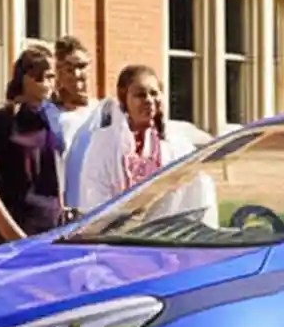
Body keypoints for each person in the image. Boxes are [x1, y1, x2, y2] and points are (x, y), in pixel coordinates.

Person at [77, 64, 216, 223]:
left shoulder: (177, 144)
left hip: (166, 239)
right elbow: (94, 197)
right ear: (124, 99)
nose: (149, 100)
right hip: (115, 238)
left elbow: (198, 194)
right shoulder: (103, 143)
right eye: (140, 95)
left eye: (154, 93)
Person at [0, 45, 67, 244]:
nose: (46, 84)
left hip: (51, 228)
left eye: (50, 77)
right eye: (38, 76)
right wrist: (15, 237)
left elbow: (55, 173)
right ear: (23, 78)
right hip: (12, 229)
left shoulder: (52, 117)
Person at [52, 35, 115, 209]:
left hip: (98, 208)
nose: (77, 75)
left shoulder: (105, 113)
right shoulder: (51, 115)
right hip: (66, 211)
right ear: (59, 72)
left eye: (81, 66)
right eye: (69, 69)